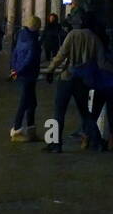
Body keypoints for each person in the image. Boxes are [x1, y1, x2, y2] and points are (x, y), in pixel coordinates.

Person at [41, 9, 104, 153]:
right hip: (83, 80)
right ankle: (98, 141)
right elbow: (101, 62)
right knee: (85, 113)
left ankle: (55, 143)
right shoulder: (94, 37)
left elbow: (60, 56)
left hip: (67, 78)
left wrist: (50, 70)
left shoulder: (72, 35)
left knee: (59, 112)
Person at [9, 16, 43, 141]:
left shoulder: (21, 36)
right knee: (24, 103)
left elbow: (15, 53)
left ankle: (31, 130)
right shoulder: (33, 41)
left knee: (32, 103)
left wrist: (14, 68)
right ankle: (16, 130)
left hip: (22, 73)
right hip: (28, 74)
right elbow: (30, 59)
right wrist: (19, 70)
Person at [40, 13, 64, 81]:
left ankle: (51, 72)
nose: (51, 19)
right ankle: (48, 71)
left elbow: (60, 34)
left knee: (54, 58)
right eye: (50, 18)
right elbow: (44, 34)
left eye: (53, 18)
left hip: (54, 44)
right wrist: (41, 42)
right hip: (47, 43)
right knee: (47, 58)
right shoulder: (47, 25)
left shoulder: (58, 26)